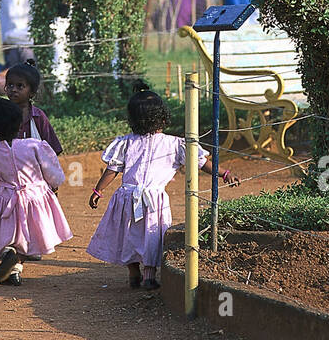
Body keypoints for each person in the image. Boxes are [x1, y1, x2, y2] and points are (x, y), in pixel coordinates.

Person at [87, 86, 237, 290]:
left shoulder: (131, 143)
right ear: (163, 118)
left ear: (133, 120)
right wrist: (224, 173)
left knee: (128, 234)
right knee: (151, 235)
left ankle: (134, 273)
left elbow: (112, 169)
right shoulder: (172, 144)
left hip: (130, 197)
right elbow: (201, 163)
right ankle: (147, 275)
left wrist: (98, 190)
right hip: (150, 200)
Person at [0, 99, 71, 286]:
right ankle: (16, 262)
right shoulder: (34, 146)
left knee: (11, 232)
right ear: (19, 125)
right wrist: (54, 185)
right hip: (35, 197)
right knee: (33, 236)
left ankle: (10, 255)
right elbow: (53, 173)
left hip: (6, 198)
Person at [3, 61, 62, 156]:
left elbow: (53, 149)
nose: (13, 89)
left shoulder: (38, 117)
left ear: (32, 92)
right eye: (10, 85)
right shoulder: (1, 114)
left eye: (20, 86)